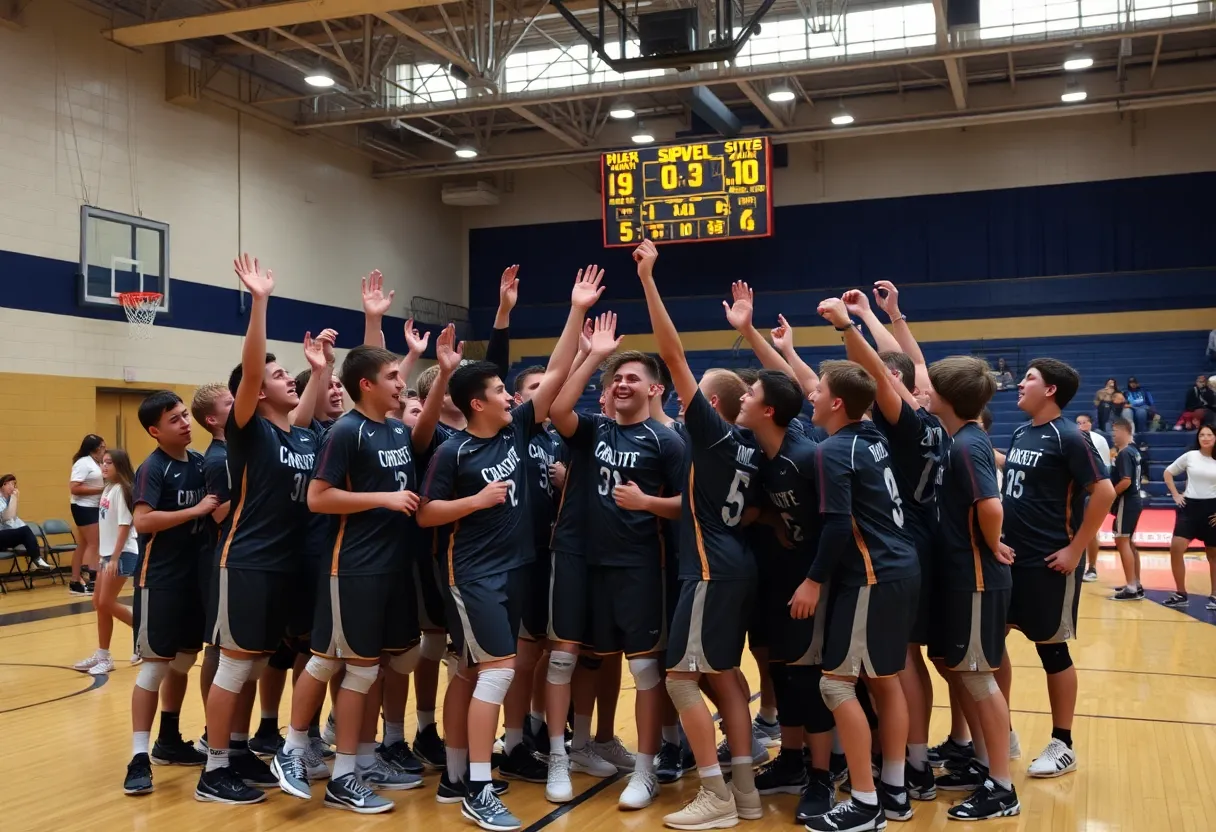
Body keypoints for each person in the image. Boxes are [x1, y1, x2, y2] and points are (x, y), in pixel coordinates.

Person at [417, 264, 598, 831]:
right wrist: (476, 503)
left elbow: (559, 372)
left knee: (472, 673)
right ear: (476, 404)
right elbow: (425, 514)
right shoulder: (454, 454)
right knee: (495, 672)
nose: (508, 393)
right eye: (498, 389)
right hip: (472, 576)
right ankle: (476, 786)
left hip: (515, 569)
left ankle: (455, 776)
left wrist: (576, 310)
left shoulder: (518, 430)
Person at [272, 325, 455, 813]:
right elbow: (318, 497)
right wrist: (384, 499)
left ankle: (360, 759)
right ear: (368, 385)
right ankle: (300, 752)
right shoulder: (346, 431)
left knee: (387, 661)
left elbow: (424, 423)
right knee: (337, 662)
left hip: (394, 568)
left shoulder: (396, 428)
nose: (402, 383)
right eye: (394, 376)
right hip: (353, 567)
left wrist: (442, 372)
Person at [197, 255, 339, 805]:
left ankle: (234, 750)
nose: (286, 379)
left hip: (287, 566)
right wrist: (260, 302)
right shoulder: (249, 433)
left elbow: (308, 400)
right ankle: (213, 770)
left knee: (254, 662)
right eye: (279, 376)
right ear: (256, 394)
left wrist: (320, 365)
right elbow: (252, 369)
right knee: (235, 665)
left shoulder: (300, 436)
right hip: (248, 561)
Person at [631, 240, 762, 830]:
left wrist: (649, 280)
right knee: (725, 675)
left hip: (708, 570)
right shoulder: (753, 446)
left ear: (710, 405)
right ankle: (745, 791)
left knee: (681, 678)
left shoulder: (711, 434)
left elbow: (672, 353)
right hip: (733, 564)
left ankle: (714, 794)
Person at [548, 330, 684, 809]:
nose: (623, 384)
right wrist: (594, 356)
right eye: (617, 378)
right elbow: (557, 410)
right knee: (566, 660)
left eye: (633, 378)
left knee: (646, 669)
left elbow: (690, 505)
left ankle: (645, 772)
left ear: (653, 389)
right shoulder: (592, 429)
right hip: (578, 560)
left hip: (638, 564)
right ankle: (559, 758)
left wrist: (648, 502)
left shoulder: (666, 441)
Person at [806, 299, 921, 831]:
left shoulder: (834, 451)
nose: (811, 393)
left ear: (836, 403)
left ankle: (866, 803)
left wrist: (812, 581)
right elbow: (876, 376)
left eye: (818, 389)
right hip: (901, 568)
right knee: (885, 681)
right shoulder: (874, 436)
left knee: (835, 685)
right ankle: (894, 791)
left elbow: (834, 526)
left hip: (871, 576)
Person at [841, 280, 942, 807]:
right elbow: (911, 367)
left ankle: (907, 765)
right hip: (921, 541)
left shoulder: (897, 426)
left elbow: (892, 369)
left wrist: (849, 326)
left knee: (897, 662)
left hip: (899, 546)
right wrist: (889, 315)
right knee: (907, 660)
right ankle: (915, 761)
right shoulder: (930, 420)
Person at [997, 359, 1114, 780]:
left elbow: (1103, 491)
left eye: (1028, 378)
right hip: (1011, 559)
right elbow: (1024, 469)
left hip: (1050, 564)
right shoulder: (1022, 431)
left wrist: (1074, 549)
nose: (1020, 384)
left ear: (1050, 390)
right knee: (994, 644)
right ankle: (1002, 731)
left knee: (1052, 650)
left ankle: (1063, 743)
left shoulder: (1070, 437)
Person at [924, 355, 1020, 820]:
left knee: (980, 678)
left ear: (946, 397)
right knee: (967, 673)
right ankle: (985, 766)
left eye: (932, 387)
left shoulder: (968, 445)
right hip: (963, 576)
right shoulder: (957, 436)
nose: (925, 392)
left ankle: (1002, 788)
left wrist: (993, 543)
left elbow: (991, 504)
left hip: (978, 577)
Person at [123, 390, 218, 795]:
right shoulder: (153, 468)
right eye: (174, 419)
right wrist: (195, 511)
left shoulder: (201, 463)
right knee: (155, 667)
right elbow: (143, 522)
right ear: (154, 431)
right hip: (159, 579)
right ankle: (138, 756)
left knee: (182, 662)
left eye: (184, 415)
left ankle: (169, 739)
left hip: (194, 580)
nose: (184, 423)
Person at [73, 450, 140, 675]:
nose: (103, 466)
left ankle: (145, 634)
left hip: (121, 554)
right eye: (102, 462)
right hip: (108, 554)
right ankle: (103, 655)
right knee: (98, 602)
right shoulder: (108, 488)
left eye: (109, 463)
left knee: (105, 603)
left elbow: (124, 525)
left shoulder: (121, 490)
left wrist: (113, 557)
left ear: (120, 465)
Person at [1162, 425, 1216, 610]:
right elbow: (1168, 473)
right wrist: (1177, 495)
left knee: (1213, 555)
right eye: (1202, 434)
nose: (1206, 437)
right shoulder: (1191, 456)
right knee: (1176, 547)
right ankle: (1180, 593)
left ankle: (1215, 595)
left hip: (1212, 510)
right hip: (1189, 507)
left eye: (1209, 434)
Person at [1108, 419, 1145, 601]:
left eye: (1115, 431)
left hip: (1127, 500)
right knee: (1129, 542)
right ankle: (1136, 583)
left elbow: (1125, 481)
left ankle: (1131, 587)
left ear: (1124, 431)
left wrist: (1109, 495)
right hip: (1135, 500)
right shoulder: (1134, 451)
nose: (1113, 435)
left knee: (1122, 541)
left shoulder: (1124, 453)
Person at [1074, 414, 1111, 583]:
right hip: (1077, 490)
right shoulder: (1073, 439)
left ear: (1090, 423)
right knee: (1076, 529)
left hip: (1093, 490)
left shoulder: (1099, 440)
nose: (1081, 425)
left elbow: (1105, 467)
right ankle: (1077, 564)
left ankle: (1092, 567)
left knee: (1091, 531)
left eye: (1084, 422)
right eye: (1078, 423)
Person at [69, 433, 107, 595]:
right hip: (83, 507)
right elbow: (74, 488)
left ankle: (74, 581)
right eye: (103, 447)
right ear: (96, 448)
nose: (105, 449)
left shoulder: (96, 463)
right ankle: (93, 581)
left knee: (84, 544)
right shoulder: (83, 463)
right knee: (95, 543)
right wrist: (101, 490)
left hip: (92, 507)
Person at [0, 474, 51, 570]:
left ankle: (36, 562)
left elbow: (14, 519)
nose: (12, 487)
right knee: (25, 531)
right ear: (2, 485)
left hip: (6, 535)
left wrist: (13, 499)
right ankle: (37, 561)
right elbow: (6, 517)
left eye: (14, 484)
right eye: (9, 484)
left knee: (26, 532)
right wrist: (14, 499)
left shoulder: (9, 499)